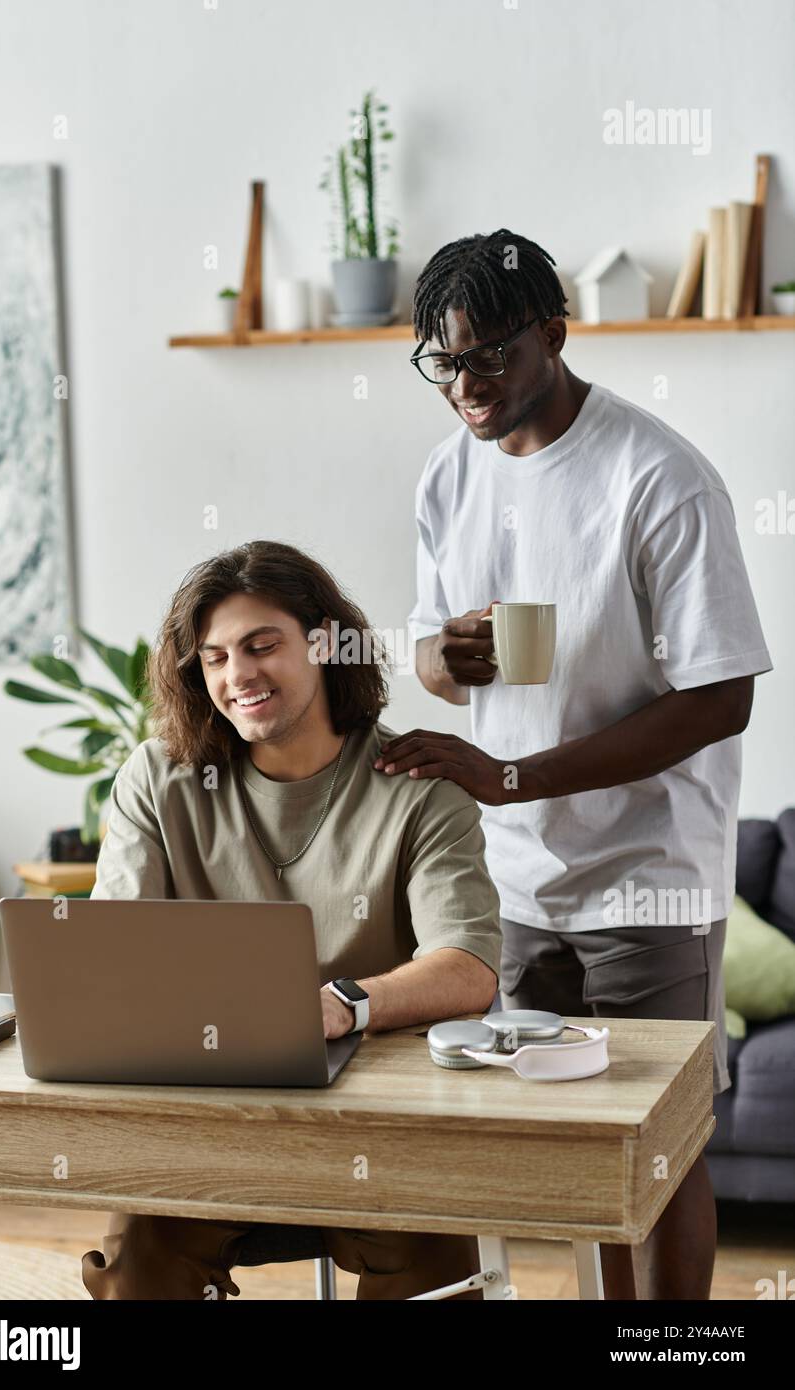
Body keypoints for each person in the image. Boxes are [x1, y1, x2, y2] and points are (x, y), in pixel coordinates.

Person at [376, 229, 773, 1300]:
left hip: (643, 879)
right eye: (443, 362)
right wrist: (438, 658)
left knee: (657, 1144)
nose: (465, 386)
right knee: (562, 1145)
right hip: (506, 882)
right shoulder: (446, 473)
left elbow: (719, 693)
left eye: (489, 357)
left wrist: (511, 777)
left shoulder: (657, 479)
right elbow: (431, 657)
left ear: (554, 332)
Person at [81, 539, 502, 1301]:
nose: (238, 675)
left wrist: (342, 1005)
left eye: (261, 645)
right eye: (213, 658)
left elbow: (467, 965)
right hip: (205, 1129)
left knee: (442, 1284)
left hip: (386, 1133)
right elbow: (113, 952)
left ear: (325, 645)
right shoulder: (159, 778)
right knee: (137, 1272)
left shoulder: (419, 786)